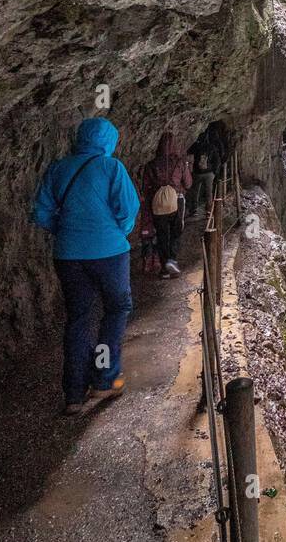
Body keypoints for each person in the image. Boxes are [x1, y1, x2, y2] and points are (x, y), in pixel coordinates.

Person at [32, 117, 140, 416]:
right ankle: (104, 377)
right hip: (109, 253)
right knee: (115, 309)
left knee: (79, 318)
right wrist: (116, 231)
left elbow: (40, 213)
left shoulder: (57, 168)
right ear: (108, 141)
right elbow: (128, 210)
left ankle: (74, 394)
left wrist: (67, 231)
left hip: (68, 255)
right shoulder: (111, 168)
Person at [140, 131, 192, 279]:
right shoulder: (180, 162)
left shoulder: (151, 164)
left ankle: (164, 269)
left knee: (162, 235)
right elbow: (188, 184)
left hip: (157, 204)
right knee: (176, 231)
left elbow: (145, 187)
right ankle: (172, 260)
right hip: (177, 201)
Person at [187, 127, 221, 217]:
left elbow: (188, 151)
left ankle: (194, 210)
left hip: (197, 173)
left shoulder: (196, 146)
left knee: (195, 191)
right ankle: (208, 211)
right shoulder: (212, 147)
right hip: (209, 173)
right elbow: (217, 160)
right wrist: (214, 172)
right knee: (209, 192)